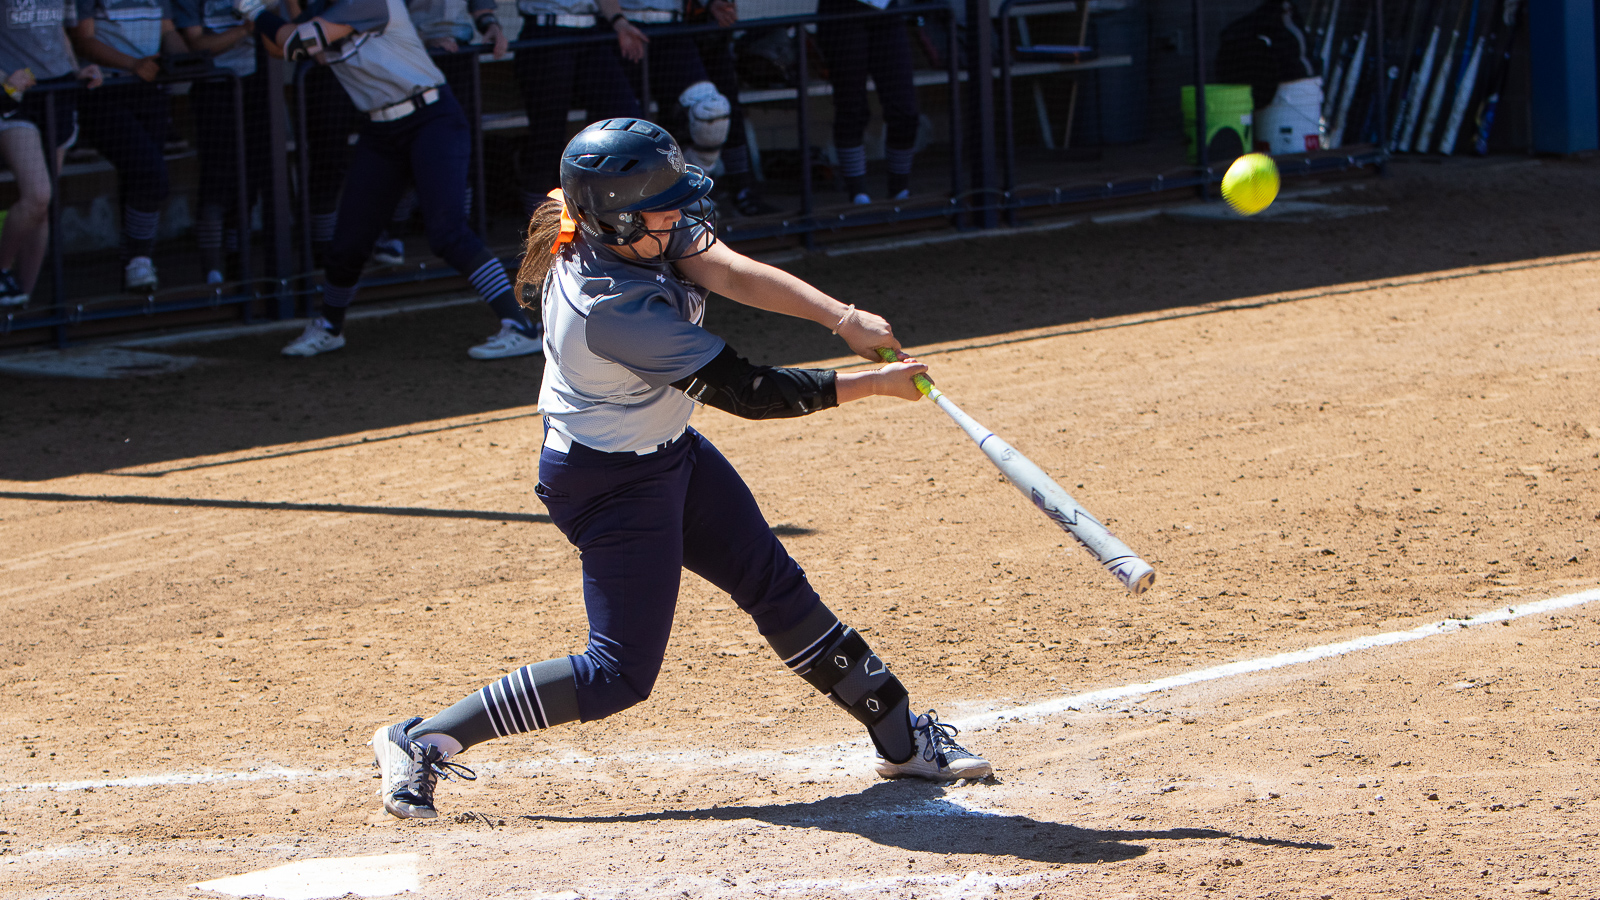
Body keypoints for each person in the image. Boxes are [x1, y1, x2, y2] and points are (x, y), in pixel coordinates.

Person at [370, 118, 992, 820]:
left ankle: (901, 736)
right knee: (617, 675)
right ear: (620, 219)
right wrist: (870, 385)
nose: (683, 215)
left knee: (775, 585)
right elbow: (747, 392)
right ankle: (421, 740)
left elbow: (721, 264)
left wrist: (841, 316)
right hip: (606, 483)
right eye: (665, 206)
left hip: (670, 453)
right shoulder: (607, 306)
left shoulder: (624, 226)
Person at [236, 0, 542, 359]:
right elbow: (281, 47)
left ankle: (521, 325)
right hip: (381, 130)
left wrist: (255, 12)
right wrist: (256, 14)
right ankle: (330, 327)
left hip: (431, 119)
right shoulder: (325, 10)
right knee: (349, 239)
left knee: (448, 232)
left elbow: (295, 42)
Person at [369, 0, 509, 267]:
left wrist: (491, 26)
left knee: (460, 148)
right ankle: (393, 235)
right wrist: (423, 39)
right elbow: (377, 18)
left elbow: (480, 8)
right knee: (412, 150)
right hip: (409, 58)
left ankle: (463, 237)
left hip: (460, 53)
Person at [68, 0, 186, 292]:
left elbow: (167, 29)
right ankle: (138, 260)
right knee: (151, 175)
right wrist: (132, 64)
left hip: (152, 90)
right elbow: (82, 39)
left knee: (139, 179)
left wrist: (187, 59)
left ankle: (134, 265)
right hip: (104, 91)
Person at [0, 1, 102, 308]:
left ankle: (22, 300)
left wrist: (75, 70)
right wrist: (4, 78)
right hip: (18, 95)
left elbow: (58, 31)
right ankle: (2, 270)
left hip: (58, 91)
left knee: (44, 207)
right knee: (38, 195)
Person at [510, 0, 644, 218]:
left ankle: (606, 218)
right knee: (548, 139)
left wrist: (620, 23)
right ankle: (540, 228)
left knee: (623, 126)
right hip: (546, 33)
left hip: (592, 33)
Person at [170, 0, 269, 285]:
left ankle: (240, 263)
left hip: (256, 85)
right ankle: (212, 271)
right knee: (217, 181)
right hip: (214, 90)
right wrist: (243, 30)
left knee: (250, 181)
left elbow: (276, 23)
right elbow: (197, 44)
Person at [815, 0, 918, 204]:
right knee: (852, 108)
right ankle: (858, 194)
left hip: (886, 12)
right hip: (842, 15)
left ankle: (900, 192)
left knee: (905, 111)